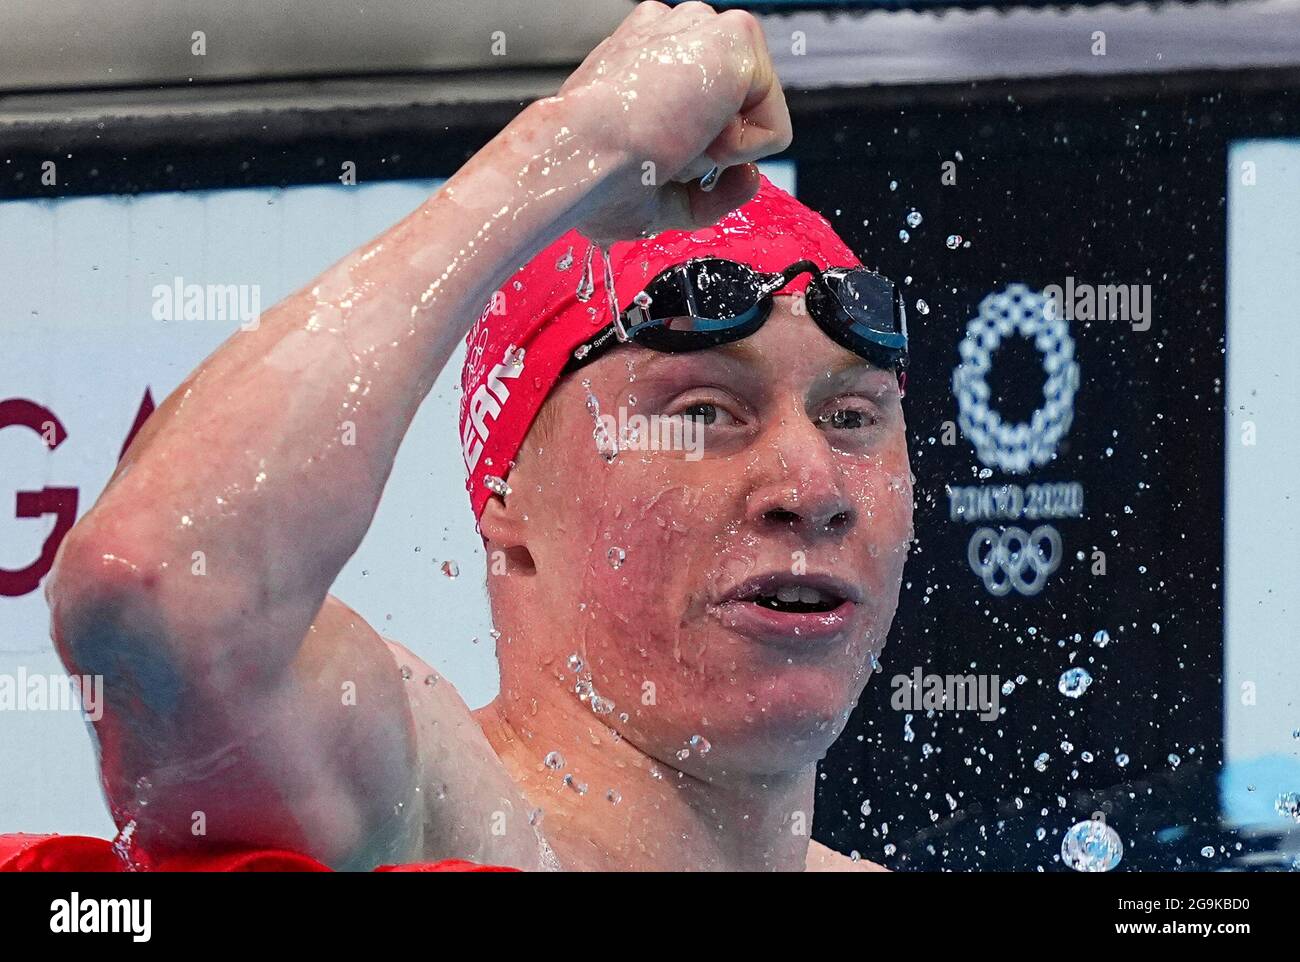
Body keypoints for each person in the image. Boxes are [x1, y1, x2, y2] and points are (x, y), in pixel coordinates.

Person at [47, 1, 913, 872]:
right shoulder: (433, 808)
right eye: (703, 415)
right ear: (507, 496)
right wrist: (581, 142)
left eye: (850, 419)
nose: (815, 489)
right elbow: (152, 579)